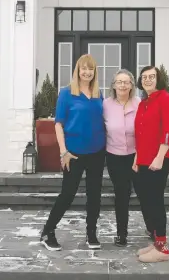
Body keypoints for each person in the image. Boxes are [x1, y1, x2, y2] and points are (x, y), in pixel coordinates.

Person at [40, 54, 106, 251]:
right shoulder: (66, 93)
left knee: (95, 195)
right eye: (83, 68)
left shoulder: (98, 94)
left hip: (97, 152)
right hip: (73, 153)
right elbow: (58, 124)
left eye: (91, 69)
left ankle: (91, 233)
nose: (87, 72)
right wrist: (63, 152)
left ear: (95, 72)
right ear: (77, 70)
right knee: (67, 194)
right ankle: (47, 231)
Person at [133, 65, 169, 263]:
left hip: (158, 159)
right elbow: (140, 134)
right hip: (143, 159)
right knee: (148, 201)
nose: (148, 80)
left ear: (158, 79)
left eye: (152, 76)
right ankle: (156, 241)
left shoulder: (166, 99)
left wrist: (160, 156)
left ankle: (163, 249)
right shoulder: (143, 104)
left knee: (156, 200)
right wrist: (136, 157)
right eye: (144, 77)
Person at [103, 69, 140, 246]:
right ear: (114, 85)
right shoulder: (106, 105)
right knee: (121, 194)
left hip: (136, 155)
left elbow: (144, 132)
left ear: (131, 85)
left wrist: (139, 155)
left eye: (126, 82)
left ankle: (153, 228)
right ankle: (121, 233)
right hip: (114, 156)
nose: (123, 85)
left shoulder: (139, 104)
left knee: (144, 193)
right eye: (119, 82)